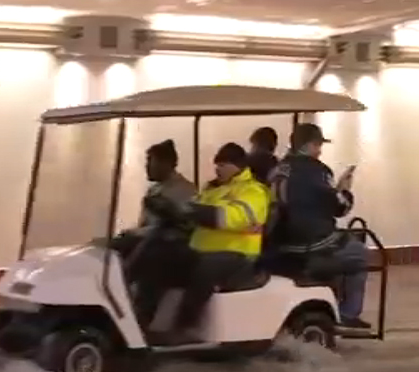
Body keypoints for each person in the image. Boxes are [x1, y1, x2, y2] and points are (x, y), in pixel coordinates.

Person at [152, 143, 270, 344]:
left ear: (237, 166)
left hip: (238, 254)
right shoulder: (212, 189)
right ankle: (147, 318)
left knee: (205, 268)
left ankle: (186, 327)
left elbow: (237, 217)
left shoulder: (253, 191)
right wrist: (174, 211)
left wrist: (198, 212)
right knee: (160, 257)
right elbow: (192, 209)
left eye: (222, 165)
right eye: (217, 165)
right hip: (203, 250)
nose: (217, 169)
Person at [269, 122, 368, 329]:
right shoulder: (318, 171)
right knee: (358, 253)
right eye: (319, 146)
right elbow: (340, 208)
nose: (320, 151)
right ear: (311, 145)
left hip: (279, 244)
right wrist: (345, 189)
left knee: (343, 245)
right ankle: (348, 313)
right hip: (312, 244)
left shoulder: (278, 169)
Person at [139, 139, 197, 227]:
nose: (146, 166)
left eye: (150, 160)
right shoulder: (153, 190)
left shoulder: (186, 191)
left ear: (165, 163)